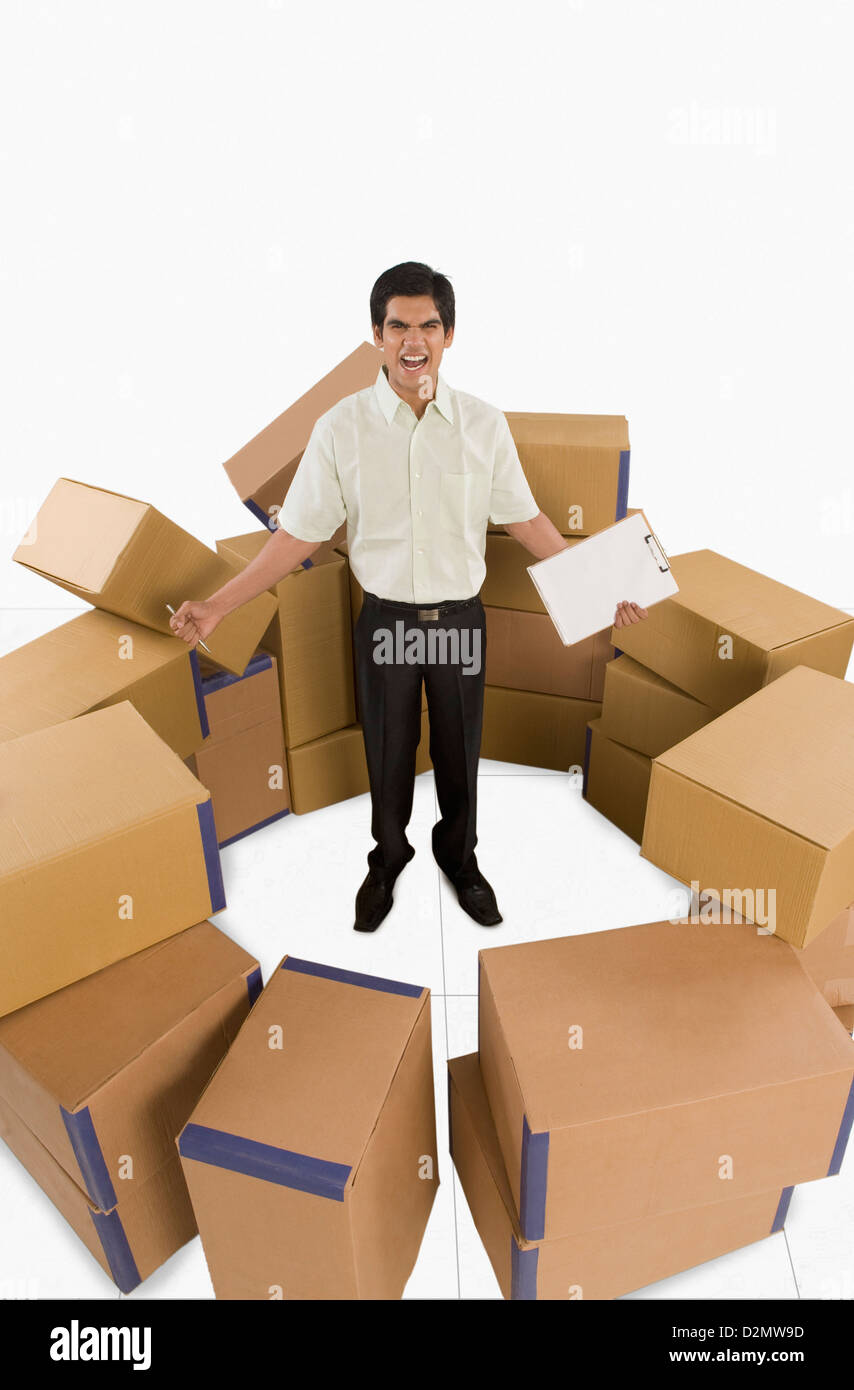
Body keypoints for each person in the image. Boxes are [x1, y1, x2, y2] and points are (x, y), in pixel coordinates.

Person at [170, 261, 648, 933]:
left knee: (459, 753)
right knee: (389, 755)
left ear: (449, 335)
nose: (413, 340)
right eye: (398, 326)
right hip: (386, 623)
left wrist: (602, 587)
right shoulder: (341, 428)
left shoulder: (483, 425)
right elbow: (297, 536)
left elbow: (527, 521)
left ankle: (461, 860)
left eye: (428, 325)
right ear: (377, 335)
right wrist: (219, 604)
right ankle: (387, 860)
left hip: (459, 623)